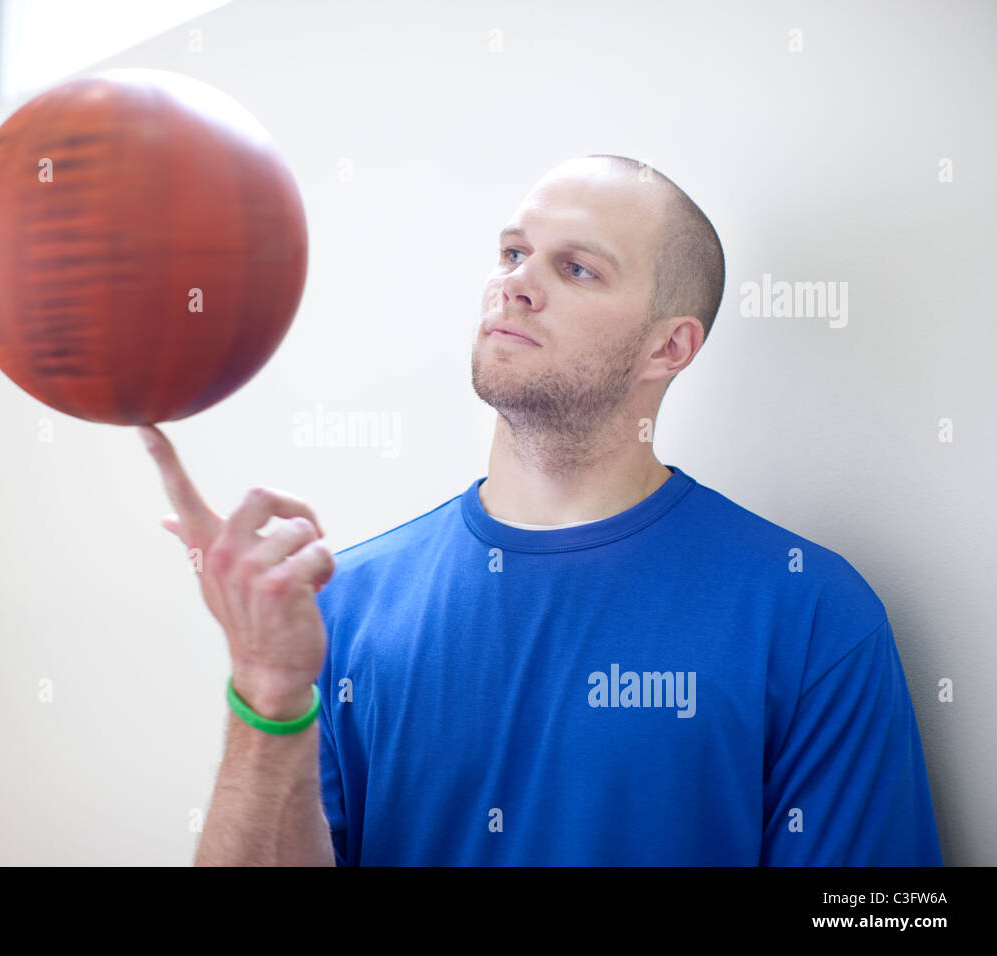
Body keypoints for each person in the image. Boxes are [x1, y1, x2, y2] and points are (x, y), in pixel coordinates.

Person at [138, 154, 943, 866]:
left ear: (670, 347)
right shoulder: (344, 604)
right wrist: (266, 694)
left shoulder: (811, 615)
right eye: (514, 253)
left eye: (577, 269)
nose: (515, 283)